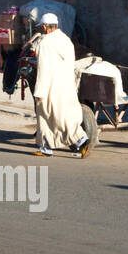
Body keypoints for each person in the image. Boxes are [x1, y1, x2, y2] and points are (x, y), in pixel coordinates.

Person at [31, 12, 92, 158]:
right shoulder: (65, 40)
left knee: (44, 116)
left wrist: (39, 91)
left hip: (50, 86)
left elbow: (43, 69)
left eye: (42, 27)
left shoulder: (45, 43)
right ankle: (80, 140)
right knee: (66, 116)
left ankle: (48, 147)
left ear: (45, 27)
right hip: (66, 86)